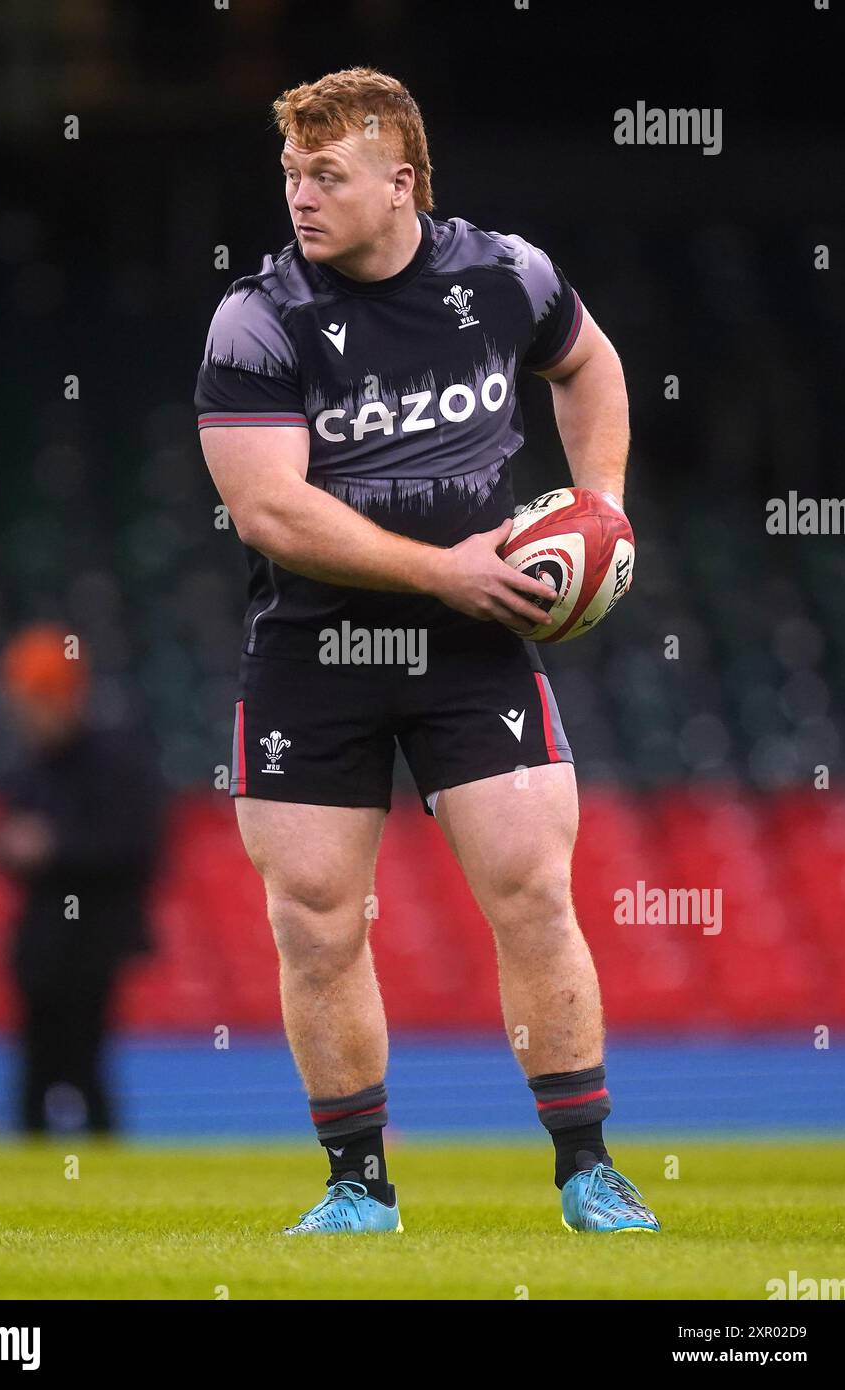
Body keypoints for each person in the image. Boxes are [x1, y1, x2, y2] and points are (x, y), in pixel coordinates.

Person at [195, 67, 658, 1235]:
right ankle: (358, 1185)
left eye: (328, 175)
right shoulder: (257, 317)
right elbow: (269, 512)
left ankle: (586, 1170)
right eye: (291, 174)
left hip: (475, 643)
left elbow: (589, 364)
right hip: (311, 646)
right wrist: (442, 568)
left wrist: (598, 504)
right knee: (313, 915)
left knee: (532, 890)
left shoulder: (504, 274)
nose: (300, 197)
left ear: (398, 182)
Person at [0, 625, 162, 1135]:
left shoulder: (115, 761)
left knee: (86, 1064)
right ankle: (35, 1179)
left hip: (93, 940)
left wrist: (53, 846)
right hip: (41, 941)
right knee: (34, 1069)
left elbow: (137, 845)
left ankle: (97, 1167)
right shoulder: (27, 767)